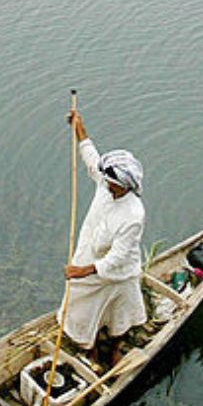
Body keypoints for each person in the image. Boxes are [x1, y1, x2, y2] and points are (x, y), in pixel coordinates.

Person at [60, 108, 147, 369]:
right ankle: (93, 350)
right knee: (81, 310)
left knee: (121, 314)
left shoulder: (133, 214)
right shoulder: (106, 185)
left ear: (124, 185)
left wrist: (82, 271)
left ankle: (117, 347)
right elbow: (91, 159)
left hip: (118, 273)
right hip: (90, 258)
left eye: (111, 183)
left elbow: (117, 257)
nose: (106, 184)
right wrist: (79, 128)